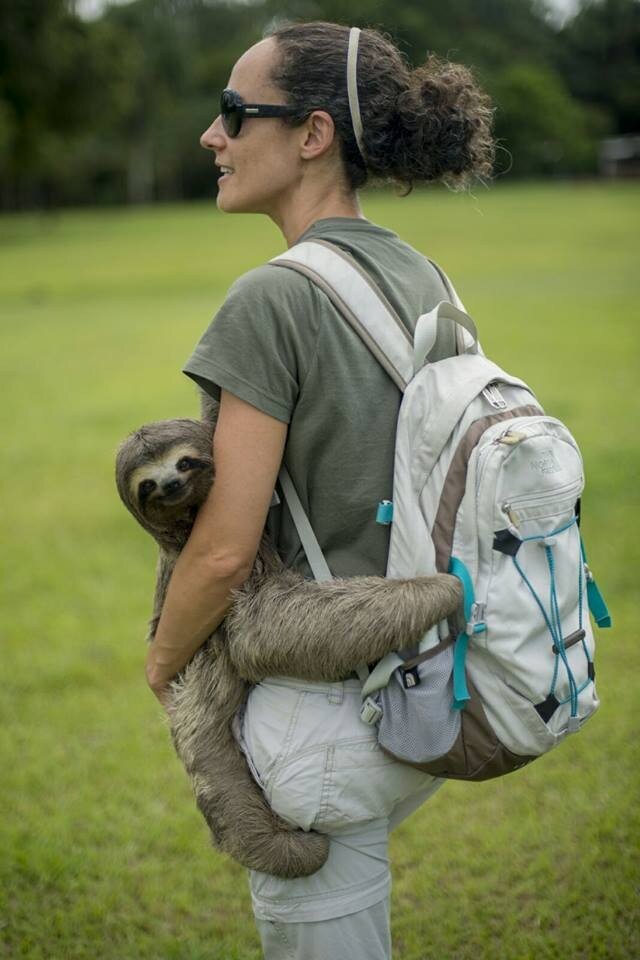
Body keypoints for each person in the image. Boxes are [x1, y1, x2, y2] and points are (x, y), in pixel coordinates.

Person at [145, 20, 494, 959]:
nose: (212, 139)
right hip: (421, 690)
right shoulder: (427, 275)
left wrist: (164, 663)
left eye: (232, 115)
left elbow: (223, 551)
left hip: (321, 717)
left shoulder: (271, 297)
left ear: (311, 135)